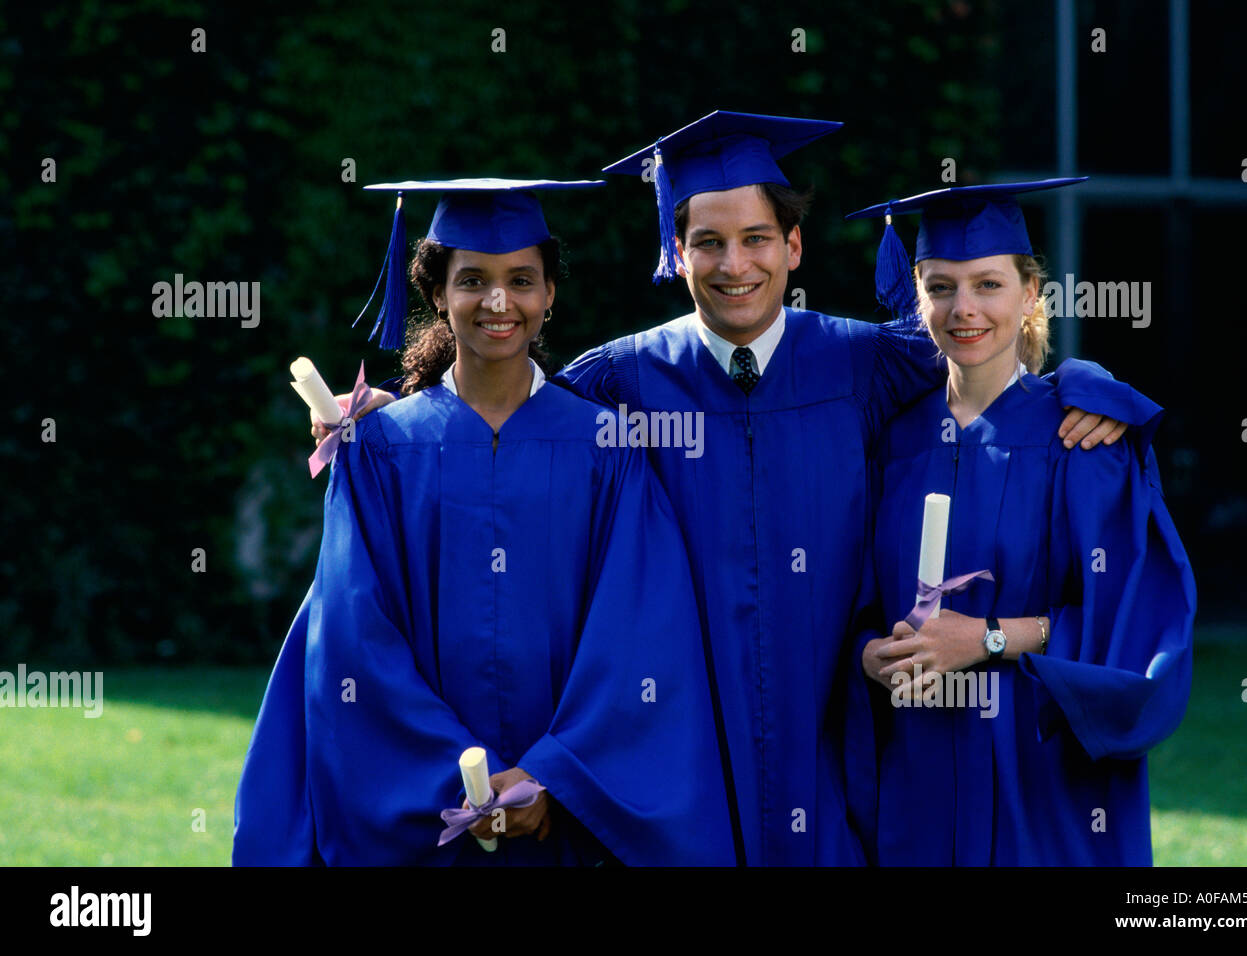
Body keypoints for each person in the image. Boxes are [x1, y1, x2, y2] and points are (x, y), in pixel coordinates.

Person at [321, 113, 1143, 865]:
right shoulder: (618, 382)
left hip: (833, 747)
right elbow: (502, 422)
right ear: (675, 252)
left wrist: (1087, 382)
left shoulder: (864, 365)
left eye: (757, 238)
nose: (734, 264)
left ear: (794, 246)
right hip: (677, 751)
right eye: (708, 242)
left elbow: (984, 358)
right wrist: (395, 416)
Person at [234, 178, 734, 866]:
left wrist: (548, 778)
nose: (499, 302)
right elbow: (354, 638)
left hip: (569, 818)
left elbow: (643, 634)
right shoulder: (381, 451)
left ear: (550, 294)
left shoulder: (608, 448)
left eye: (522, 280)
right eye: (473, 280)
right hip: (429, 818)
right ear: (438, 293)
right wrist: (453, 778)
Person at [844, 179, 1195, 865]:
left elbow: (1134, 625)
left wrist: (989, 638)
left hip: (1044, 786)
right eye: (940, 286)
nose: (963, 308)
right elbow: (848, 605)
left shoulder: (1084, 442)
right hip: (916, 788)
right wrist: (869, 655)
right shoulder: (888, 444)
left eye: (988, 285)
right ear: (915, 295)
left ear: (1031, 292)